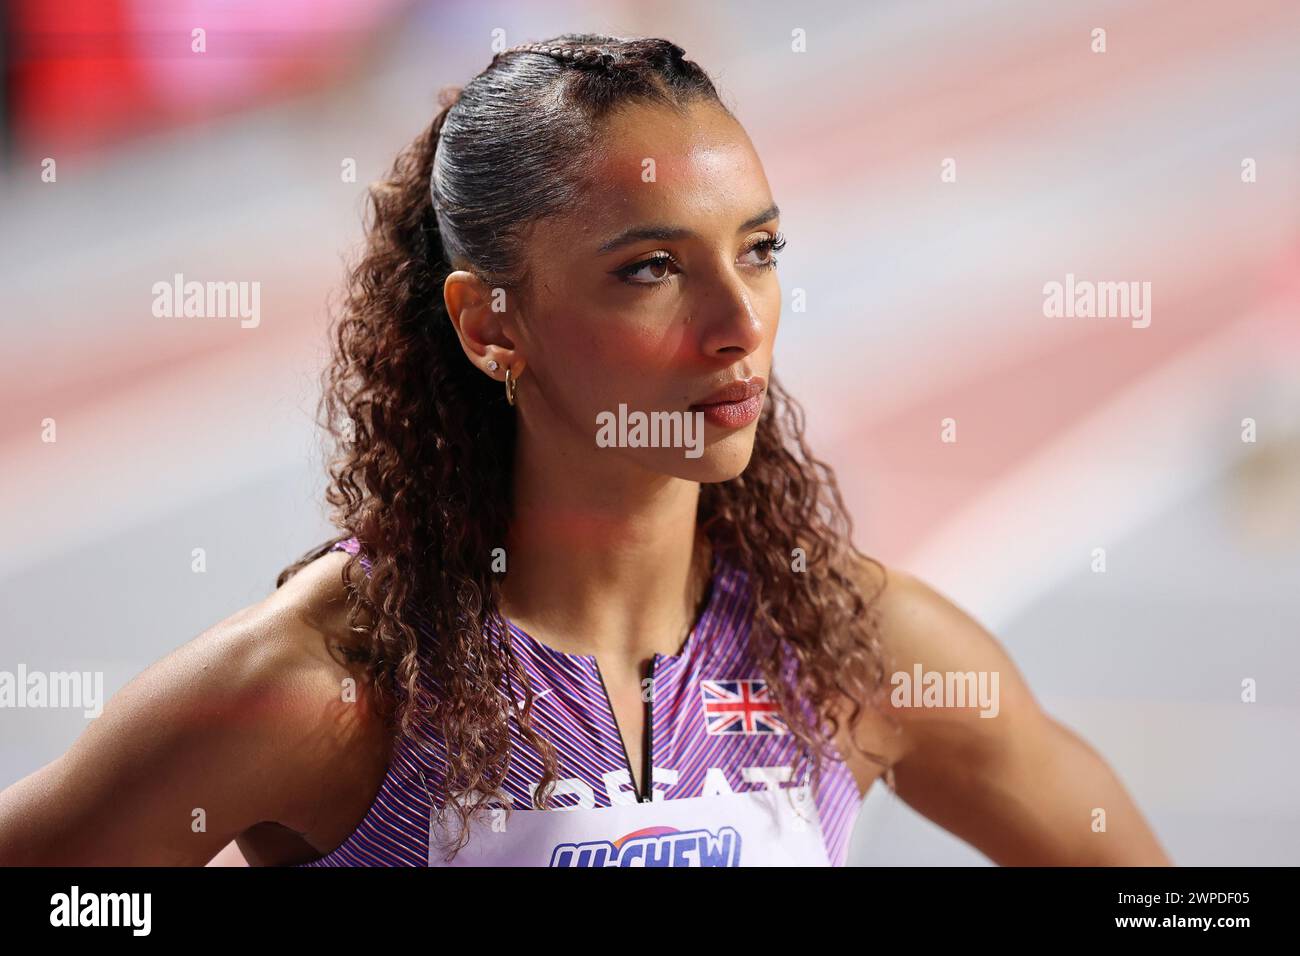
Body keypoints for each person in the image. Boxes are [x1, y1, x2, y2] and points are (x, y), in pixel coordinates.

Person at [0, 33, 1169, 867]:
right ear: (488, 324)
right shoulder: (327, 693)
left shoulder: (853, 652)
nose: (738, 322)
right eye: (650, 269)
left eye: (757, 249)